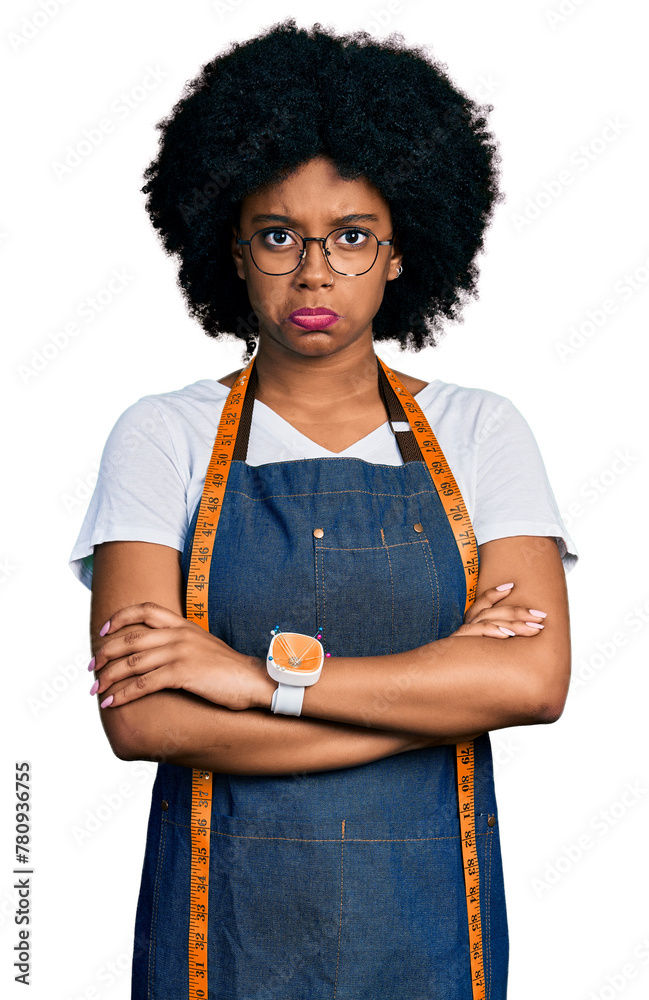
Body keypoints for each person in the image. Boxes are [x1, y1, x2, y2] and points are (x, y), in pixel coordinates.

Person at [68, 19, 579, 1000]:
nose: (313, 273)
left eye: (351, 237)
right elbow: (142, 718)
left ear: (400, 253)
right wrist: (432, 706)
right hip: (219, 947)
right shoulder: (161, 435)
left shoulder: (483, 431)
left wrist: (253, 674)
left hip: (428, 943)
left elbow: (533, 682)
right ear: (229, 245)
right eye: (278, 236)